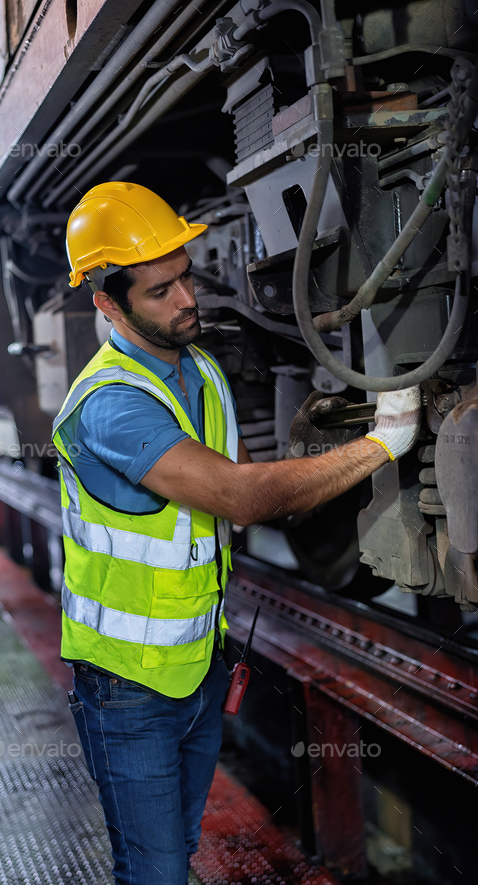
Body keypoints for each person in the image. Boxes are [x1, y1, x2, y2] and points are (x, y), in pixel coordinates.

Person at [52, 181, 421, 885]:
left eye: (185, 275)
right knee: (154, 873)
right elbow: (238, 497)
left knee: (176, 855)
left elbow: (249, 485)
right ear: (108, 303)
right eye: (160, 290)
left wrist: (328, 450)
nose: (188, 298)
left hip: (195, 667)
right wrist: (383, 443)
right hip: (126, 687)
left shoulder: (201, 373)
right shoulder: (109, 407)